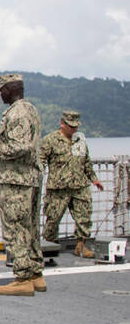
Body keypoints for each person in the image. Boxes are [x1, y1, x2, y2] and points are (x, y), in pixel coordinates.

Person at [0, 73, 43, 296]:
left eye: (2, 91)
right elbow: (13, 137)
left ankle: (22, 277)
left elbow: (20, 147)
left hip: (16, 180)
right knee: (30, 227)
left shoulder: (18, 113)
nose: (1, 95)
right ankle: (35, 274)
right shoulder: (28, 109)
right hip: (28, 178)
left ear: (11, 89)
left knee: (16, 228)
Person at [40, 109, 103, 258]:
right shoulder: (50, 140)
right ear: (62, 124)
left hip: (79, 186)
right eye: (71, 126)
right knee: (53, 219)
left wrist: (94, 179)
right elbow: (41, 160)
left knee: (84, 218)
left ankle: (82, 246)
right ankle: (49, 246)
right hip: (58, 188)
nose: (74, 129)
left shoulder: (79, 141)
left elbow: (86, 162)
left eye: (76, 126)